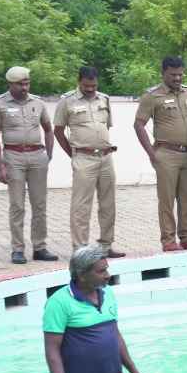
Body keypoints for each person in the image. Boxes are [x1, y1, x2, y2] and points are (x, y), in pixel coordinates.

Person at [43, 243, 139, 373]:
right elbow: (52, 349)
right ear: (82, 275)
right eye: (101, 271)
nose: (108, 275)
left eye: (106, 269)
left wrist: (134, 370)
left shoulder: (107, 292)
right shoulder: (58, 302)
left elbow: (115, 335)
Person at [135, 56, 187, 253]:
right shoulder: (152, 96)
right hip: (165, 153)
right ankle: (168, 240)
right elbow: (139, 124)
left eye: (180, 74)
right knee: (166, 200)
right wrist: (151, 153)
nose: (177, 78)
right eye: (173, 74)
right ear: (163, 73)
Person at [53, 66, 124, 258]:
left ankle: (105, 245)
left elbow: (105, 126)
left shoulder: (104, 99)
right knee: (81, 206)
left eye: (93, 85)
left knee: (108, 204)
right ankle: (80, 249)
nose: (91, 89)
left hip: (106, 157)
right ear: (79, 81)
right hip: (83, 158)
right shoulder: (67, 101)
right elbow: (58, 131)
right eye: (86, 86)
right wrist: (73, 154)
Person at [0, 65, 56, 264]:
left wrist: (48, 154)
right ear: (10, 84)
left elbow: (48, 129)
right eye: (20, 84)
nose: (25, 87)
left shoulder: (38, 102)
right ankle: (17, 249)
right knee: (17, 205)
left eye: (27, 83)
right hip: (13, 156)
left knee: (40, 204)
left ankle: (40, 247)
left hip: (37, 156)